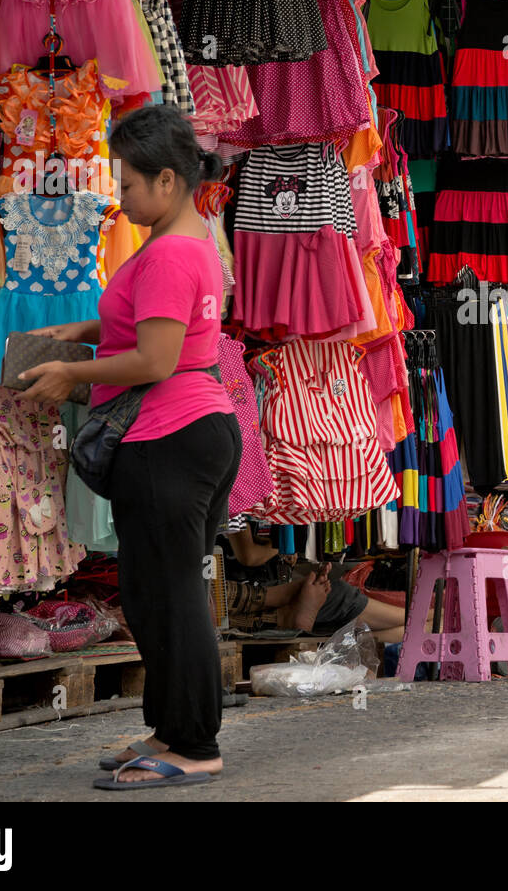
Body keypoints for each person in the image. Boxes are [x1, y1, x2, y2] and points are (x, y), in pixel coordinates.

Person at [20, 106, 241, 790]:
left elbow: (154, 358)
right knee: (151, 594)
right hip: (180, 434)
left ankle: (196, 745)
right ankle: (169, 730)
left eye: (130, 181)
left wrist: (72, 370)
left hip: (172, 436)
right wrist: (81, 330)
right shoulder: (184, 238)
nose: (122, 193)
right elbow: (143, 319)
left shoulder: (174, 250)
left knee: (172, 595)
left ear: (169, 180)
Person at [223, 526, 412, 642]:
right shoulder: (236, 493)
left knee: (336, 599)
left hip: (257, 591)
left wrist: (279, 548)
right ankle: (426, 620)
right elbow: (249, 555)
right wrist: (282, 547)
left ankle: (285, 610)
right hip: (249, 585)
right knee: (338, 594)